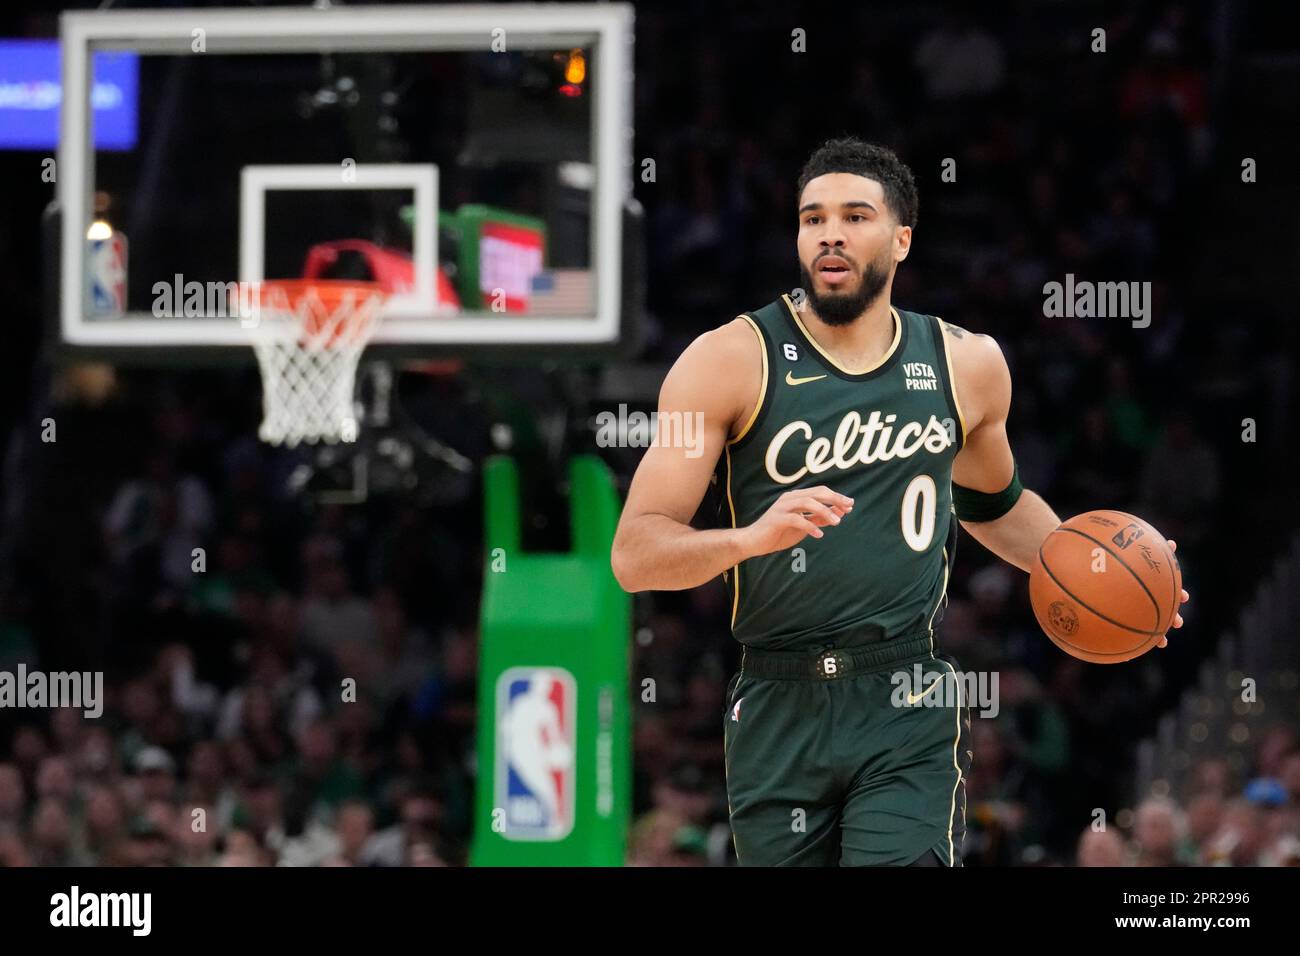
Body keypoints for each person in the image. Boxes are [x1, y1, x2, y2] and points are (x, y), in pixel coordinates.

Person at [611, 138, 1188, 866]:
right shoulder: (726, 360)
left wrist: (1105, 567)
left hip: (904, 695)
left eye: (855, 216)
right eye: (812, 217)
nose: (829, 233)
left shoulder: (965, 364)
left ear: (902, 238)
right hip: (774, 698)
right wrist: (747, 540)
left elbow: (997, 506)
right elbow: (635, 555)